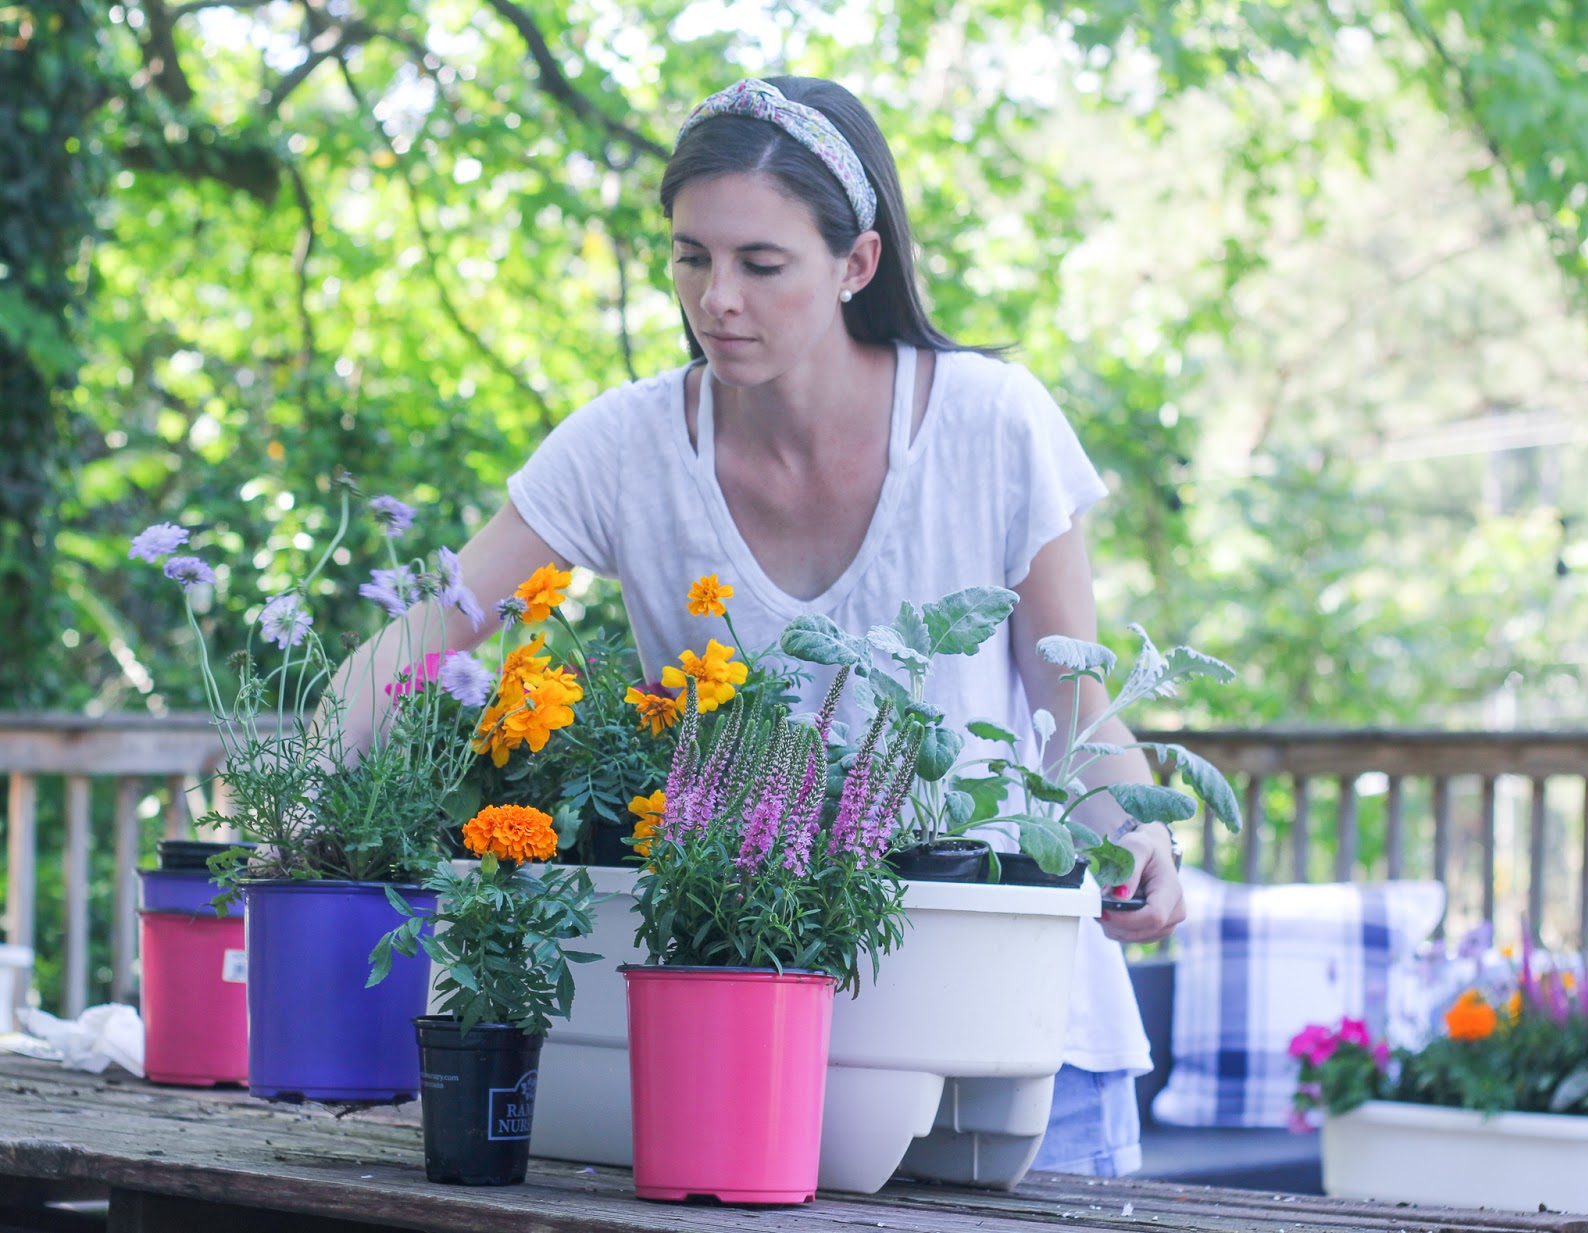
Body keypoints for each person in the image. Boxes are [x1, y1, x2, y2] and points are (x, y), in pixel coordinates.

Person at [336, 75, 1184, 1176]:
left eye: (760, 263)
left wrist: (1140, 832)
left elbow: (1073, 697)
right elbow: (433, 627)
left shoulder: (990, 422)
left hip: (1005, 1046)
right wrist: (303, 784)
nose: (715, 298)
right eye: (690, 256)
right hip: (734, 1024)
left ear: (856, 264)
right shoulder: (625, 447)